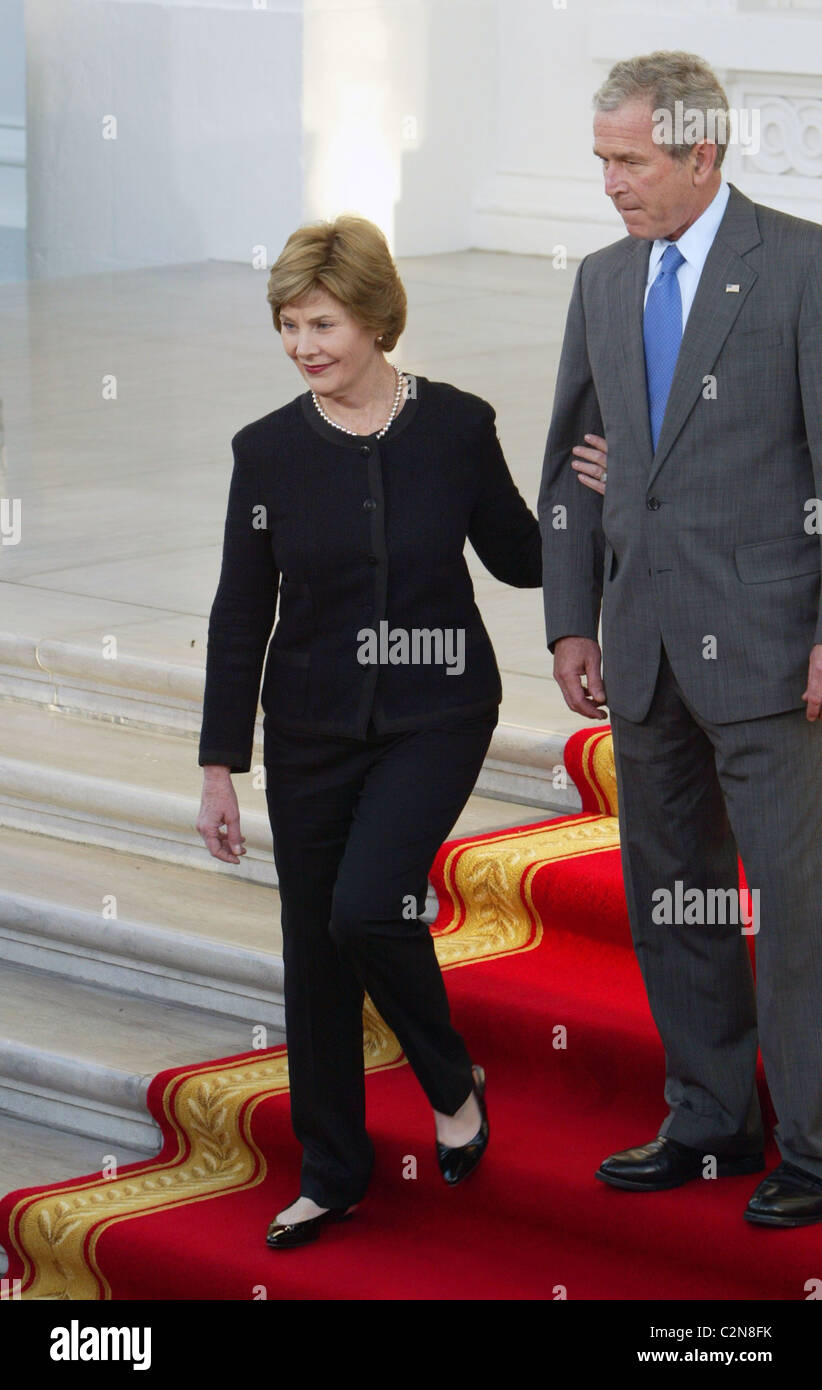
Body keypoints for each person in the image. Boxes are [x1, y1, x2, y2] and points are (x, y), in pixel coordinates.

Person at [196, 213, 606, 1248]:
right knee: (313, 949)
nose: (304, 346)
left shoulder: (457, 427)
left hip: (437, 710)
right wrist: (217, 763)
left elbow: (517, 554)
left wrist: (595, 507)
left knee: (368, 907)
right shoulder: (268, 452)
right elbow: (242, 612)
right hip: (308, 727)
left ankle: (446, 1072)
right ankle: (334, 1171)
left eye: (322, 322)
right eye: (288, 325)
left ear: (377, 317)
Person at [538, 50, 822, 1228]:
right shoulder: (606, 280)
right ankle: (711, 1113)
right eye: (602, 160)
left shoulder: (803, 266)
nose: (610, 184)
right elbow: (573, 463)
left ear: (703, 154)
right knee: (676, 895)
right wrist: (569, 618)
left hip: (769, 653)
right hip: (645, 646)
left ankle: (812, 1142)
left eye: (630, 161)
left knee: (799, 908)